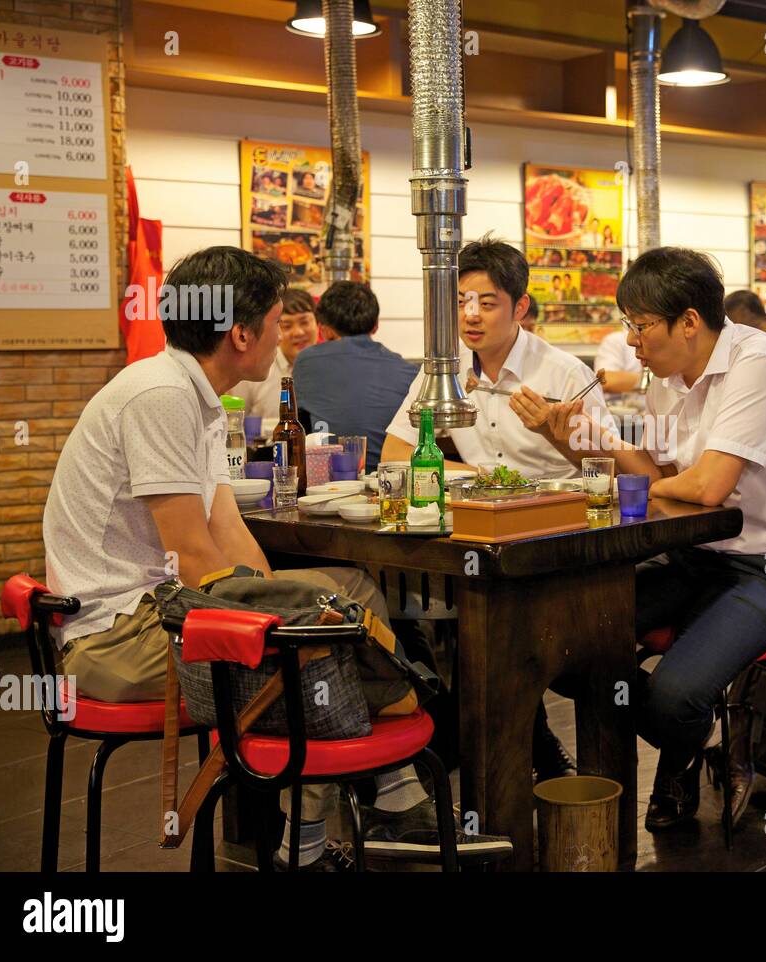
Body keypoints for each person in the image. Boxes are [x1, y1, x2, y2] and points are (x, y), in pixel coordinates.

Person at [42, 246, 508, 870]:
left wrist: (288, 601)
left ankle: (332, 828)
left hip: (158, 617)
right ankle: (362, 817)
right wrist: (291, 615)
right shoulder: (159, 396)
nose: (285, 339)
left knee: (336, 595)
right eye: (274, 321)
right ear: (242, 333)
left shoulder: (195, 394)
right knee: (317, 636)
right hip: (117, 639)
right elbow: (195, 556)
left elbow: (230, 537)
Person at [508, 246, 766, 833]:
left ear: (690, 322)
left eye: (639, 325)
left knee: (674, 697)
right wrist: (570, 431)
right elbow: (652, 480)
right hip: (695, 559)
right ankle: (688, 743)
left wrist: (634, 485)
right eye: (628, 324)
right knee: (561, 648)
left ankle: (689, 743)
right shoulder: (666, 382)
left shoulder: (761, 362)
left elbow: (705, 487)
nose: (630, 341)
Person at [382, 235, 614, 780]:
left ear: (520, 308)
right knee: (401, 600)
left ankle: (493, 752)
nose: (470, 315)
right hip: (479, 532)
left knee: (490, 621)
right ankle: (480, 746)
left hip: (555, 536)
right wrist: (479, 475)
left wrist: (556, 434)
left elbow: (603, 471)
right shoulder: (444, 370)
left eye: (487, 302)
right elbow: (396, 454)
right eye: (461, 300)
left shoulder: (563, 374)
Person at [291, 281, 418, 471]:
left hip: (332, 479)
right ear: (375, 326)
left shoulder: (306, 361)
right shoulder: (409, 370)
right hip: (392, 479)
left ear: (323, 329)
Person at [228, 288, 317, 420]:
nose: (298, 332)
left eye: (304, 322)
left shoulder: (329, 367)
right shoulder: (255, 369)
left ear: (318, 324)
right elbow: (233, 422)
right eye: (287, 326)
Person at [594, 326, 644, 394]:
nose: (630, 341)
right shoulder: (616, 340)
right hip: (621, 403)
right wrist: (649, 379)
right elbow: (606, 380)